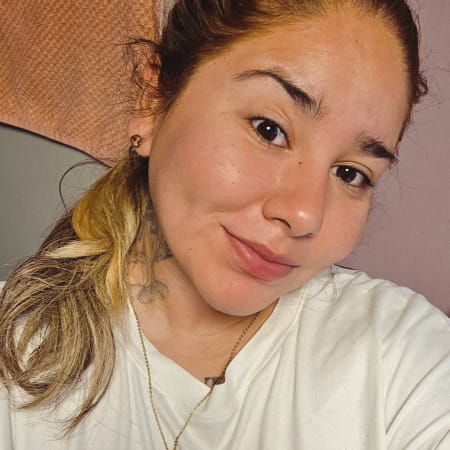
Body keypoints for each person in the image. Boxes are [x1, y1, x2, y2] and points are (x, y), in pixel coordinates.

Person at [0, 0, 449, 448]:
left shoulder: (403, 356)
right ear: (153, 100)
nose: (305, 214)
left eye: (350, 174)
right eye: (269, 129)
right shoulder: (14, 350)